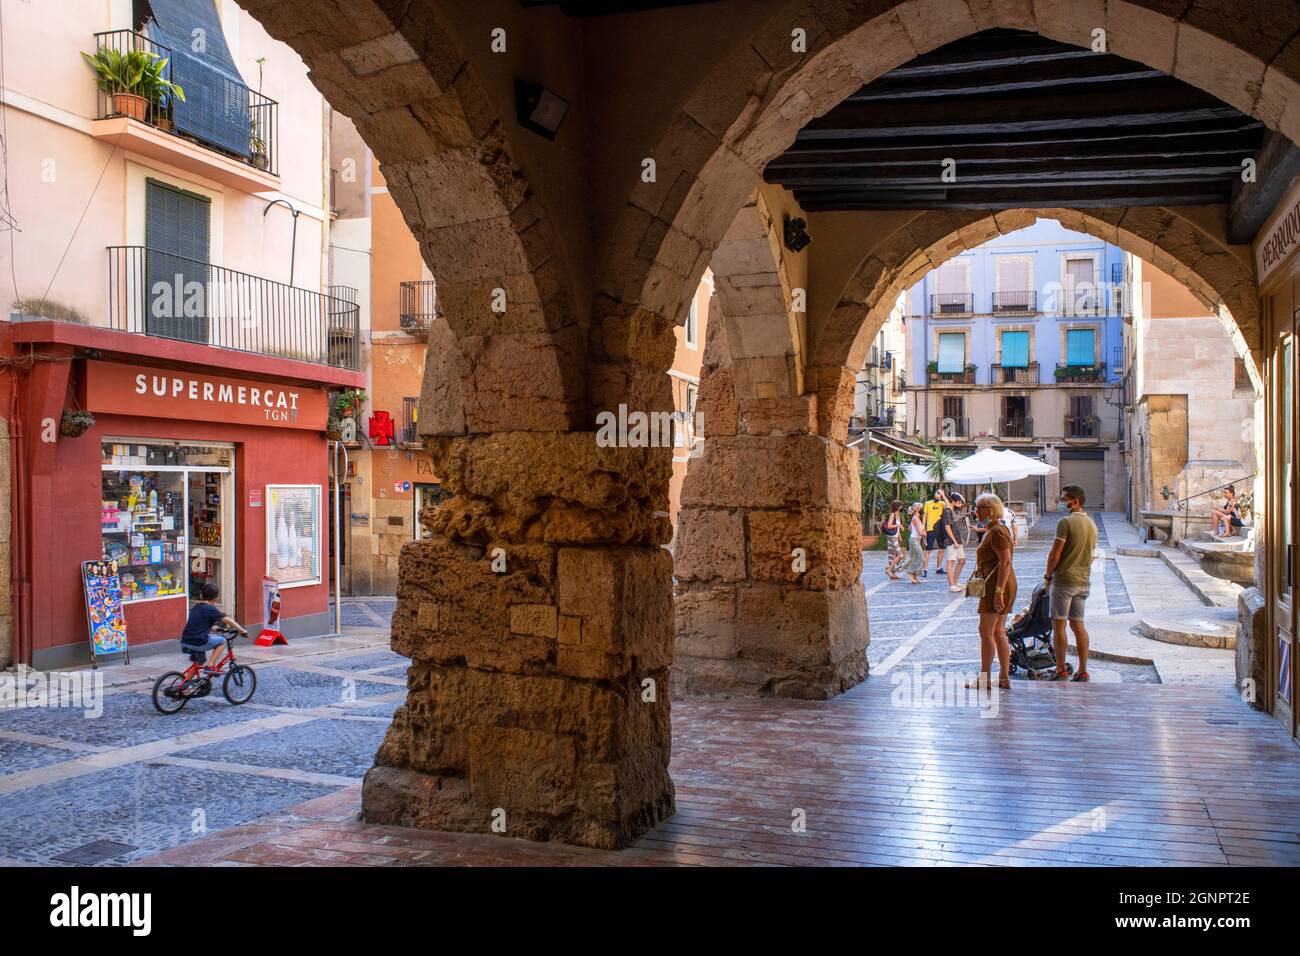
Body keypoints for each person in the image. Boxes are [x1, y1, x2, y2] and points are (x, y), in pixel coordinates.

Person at [1042, 484, 1097, 682]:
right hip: (1083, 581)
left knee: (1059, 626)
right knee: (1078, 625)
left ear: (1075, 501)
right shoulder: (1092, 524)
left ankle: (1060, 669)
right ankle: (1082, 670)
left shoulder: (1065, 522)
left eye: (1064, 499)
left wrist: (1048, 577)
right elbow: (1091, 555)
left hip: (1064, 581)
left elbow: (1055, 554)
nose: (1061, 502)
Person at [971, 492, 1016, 689]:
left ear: (991, 510)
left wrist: (998, 592)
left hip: (997, 584)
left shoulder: (997, 531)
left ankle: (985, 678)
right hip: (999, 583)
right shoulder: (995, 528)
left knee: (987, 631)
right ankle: (1003, 678)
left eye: (981, 507)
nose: (976, 511)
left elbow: (1005, 562)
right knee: (998, 631)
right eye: (977, 507)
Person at [181, 582, 247, 669]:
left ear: (201, 596)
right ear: (216, 598)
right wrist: (241, 630)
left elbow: (198, 623)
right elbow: (227, 619)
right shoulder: (211, 609)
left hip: (185, 641)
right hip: (198, 641)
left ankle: (187, 681)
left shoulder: (196, 607)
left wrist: (212, 627)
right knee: (222, 641)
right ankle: (211, 664)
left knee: (200, 662)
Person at [943, 492, 969, 592]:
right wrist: (954, 541)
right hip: (951, 541)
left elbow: (954, 526)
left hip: (956, 540)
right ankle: (952, 585)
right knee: (951, 561)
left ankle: (955, 581)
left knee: (962, 560)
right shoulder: (947, 511)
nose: (960, 504)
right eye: (958, 502)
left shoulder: (951, 510)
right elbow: (947, 527)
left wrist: (959, 538)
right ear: (953, 502)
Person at [896, 502, 926, 584]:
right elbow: (920, 532)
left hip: (916, 540)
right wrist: (925, 533)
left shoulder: (916, 518)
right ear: (917, 510)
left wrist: (917, 531)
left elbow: (909, 528)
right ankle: (910, 572)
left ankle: (914, 575)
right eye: (921, 508)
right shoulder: (916, 519)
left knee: (914, 558)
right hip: (914, 541)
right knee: (921, 558)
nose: (923, 509)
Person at [922, 489, 947, 577]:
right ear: (934, 495)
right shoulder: (928, 503)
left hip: (940, 529)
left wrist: (943, 496)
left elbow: (950, 507)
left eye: (939, 496)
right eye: (936, 495)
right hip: (930, 528)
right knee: (928, 549)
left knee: (942, 549)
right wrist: (923, 528)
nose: (937, 497)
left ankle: (939, 568)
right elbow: (924, 516)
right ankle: (925, 569)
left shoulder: (943, 504)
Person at [882, 500, 905, 579]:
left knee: (892, 556)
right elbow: (889, 526)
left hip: (895, 537)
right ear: (898, 507)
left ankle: (892, 574)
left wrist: (900, 538)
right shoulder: (892, 515)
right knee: (900, 555)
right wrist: (898, 525)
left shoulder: (897, 515)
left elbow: (896, 529)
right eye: (900, 506)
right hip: (892, 537)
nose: (902, 507)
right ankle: (889, 569)